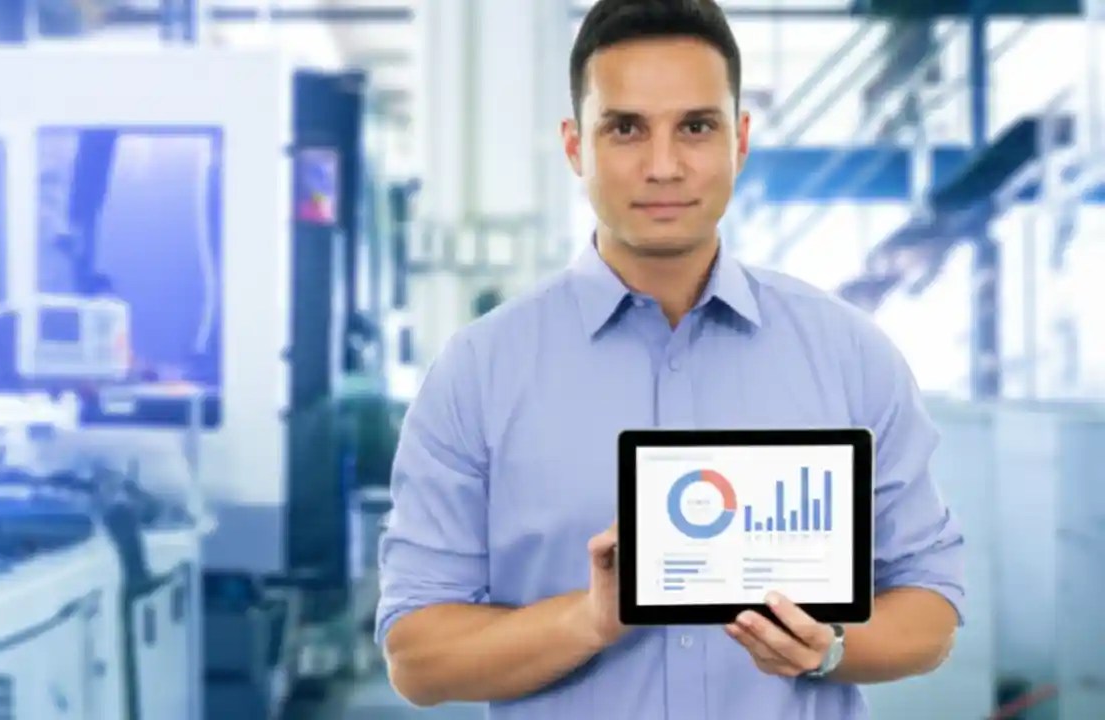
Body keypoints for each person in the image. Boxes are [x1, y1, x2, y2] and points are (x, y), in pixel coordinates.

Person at [374, 1, 965, 717]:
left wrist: (830, 645)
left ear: (740, 140)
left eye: (697, 126)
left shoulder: (850, 356)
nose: (663, 166)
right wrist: (589, 621)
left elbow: (930, 605)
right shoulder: (479, 373)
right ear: (574, 146)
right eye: (625, 129)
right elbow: (417, 657)